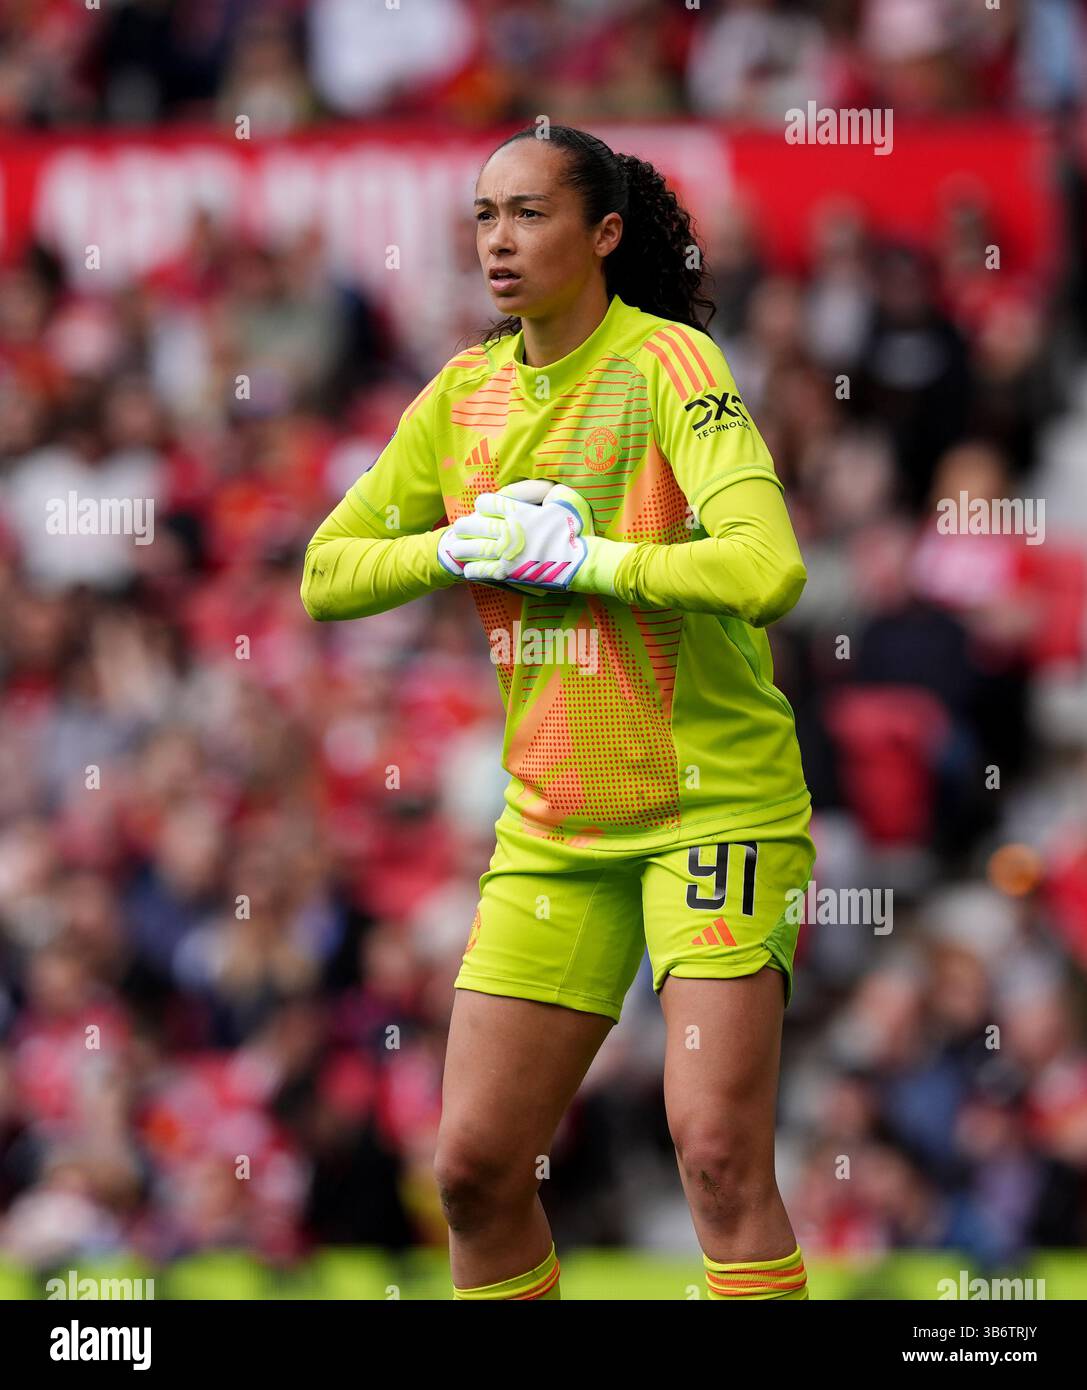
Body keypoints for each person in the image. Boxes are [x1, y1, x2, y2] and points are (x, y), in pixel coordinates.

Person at [301, 125, 815, 1301]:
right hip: (557, 824)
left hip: (713, 809)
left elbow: (766, 568)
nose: (498, 240)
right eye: (484, 215)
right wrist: (452, 544)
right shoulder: (463, 395)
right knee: (474, 1169)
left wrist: (595, 561)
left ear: (604, 234)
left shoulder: (672, 365)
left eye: (529, 213)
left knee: (719, 1154)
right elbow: (327, 572)